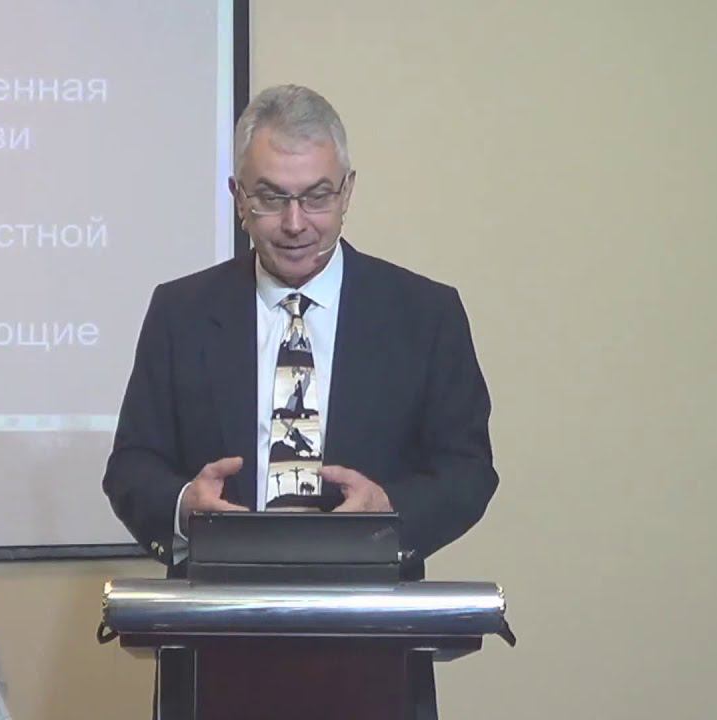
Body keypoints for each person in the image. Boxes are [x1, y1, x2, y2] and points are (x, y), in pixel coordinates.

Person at [103, 84, 499, 720]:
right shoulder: (181, 312)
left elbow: (468, 469)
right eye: (271, 198)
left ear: (347, 192)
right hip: (213, 642)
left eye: (316, 197)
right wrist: (185, 508)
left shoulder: (425, 313)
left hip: (375, 648)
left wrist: (389, 512)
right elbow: (131, 466)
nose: (295, 223)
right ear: (238, 197)